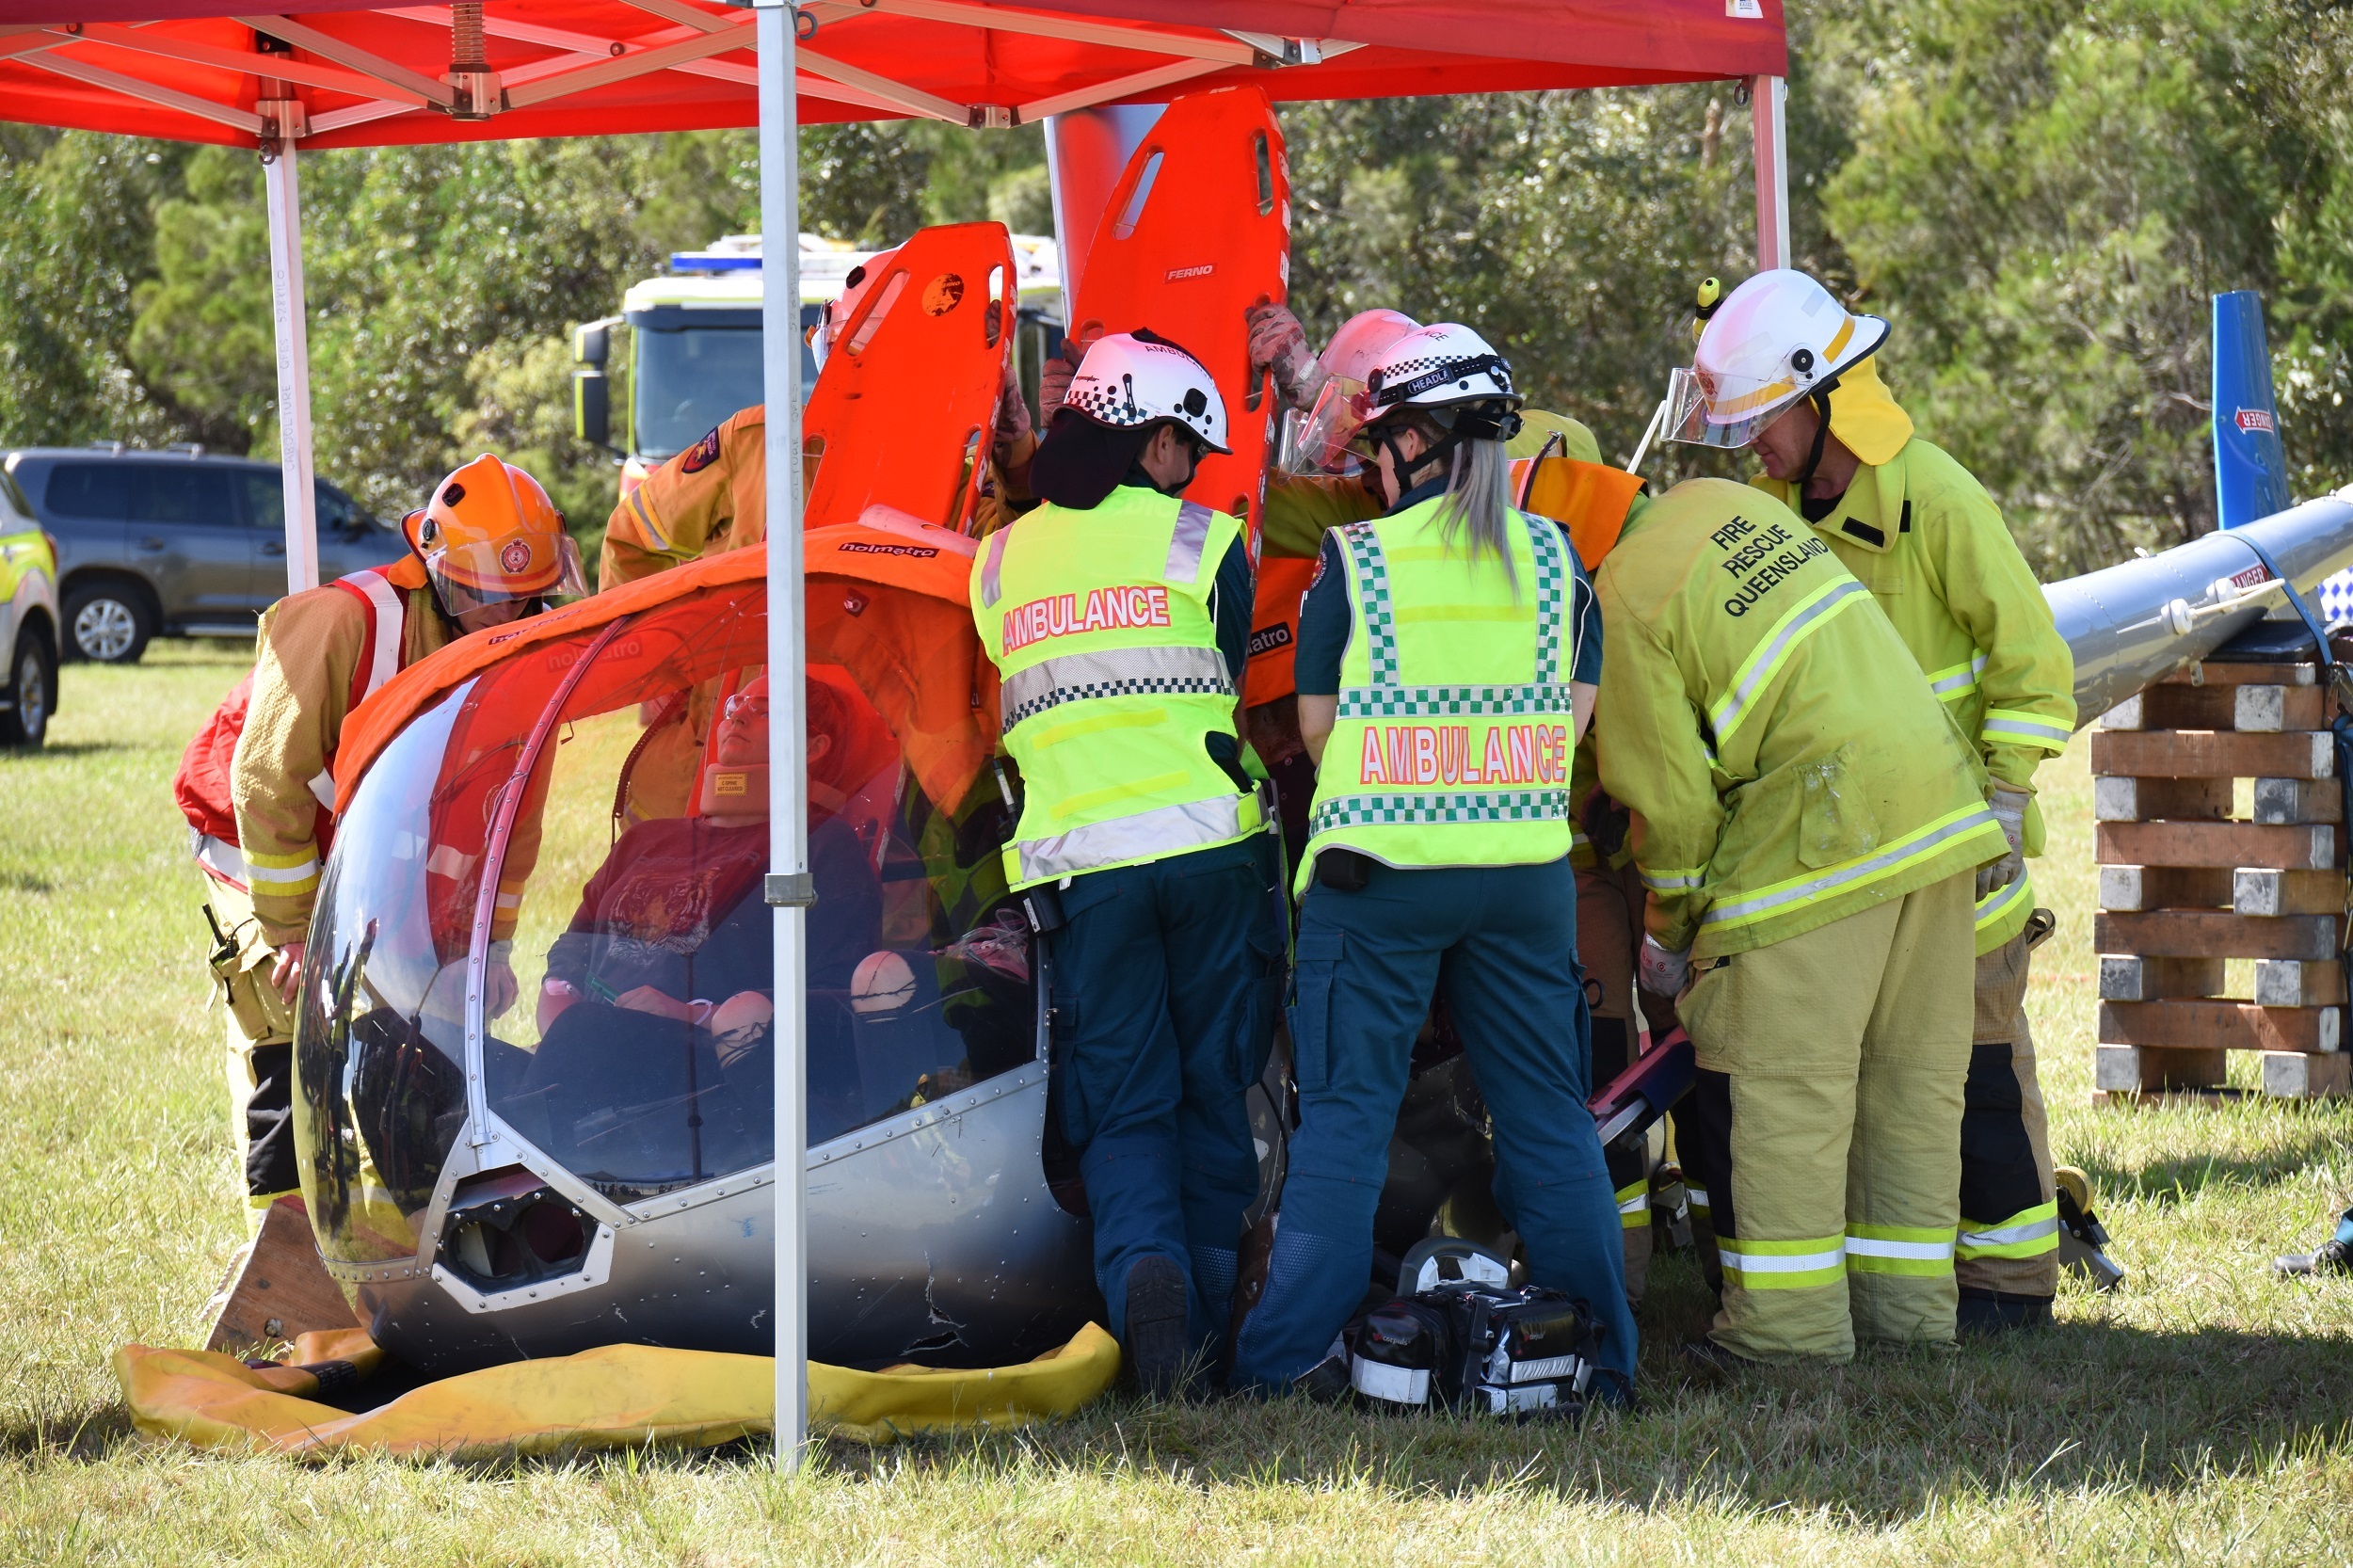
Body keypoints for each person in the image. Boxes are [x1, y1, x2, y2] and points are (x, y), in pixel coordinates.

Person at [1225, 323, 1639, 1402]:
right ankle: (1607, 1358)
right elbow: (1568, 723)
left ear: (1421, 441)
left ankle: (1280, 1365)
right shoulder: (1561, 563)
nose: (1370, 462)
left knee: (1347, 1123)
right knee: (1549, 1123)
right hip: (1522, 884)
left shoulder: (1354, 562)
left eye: (1382, 441)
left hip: (1381, 880)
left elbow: (1316, 732)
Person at [1672, 269, 2079, 1334]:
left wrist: (2002, 799)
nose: (1750, 445)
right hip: (1846, 857)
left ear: (1820, 399)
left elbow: (2032, 661)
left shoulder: (1933, 495)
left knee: (1980, 1067)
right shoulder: (1770, 517)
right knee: (1872, 1087)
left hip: (1962, 852)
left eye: (1762, 421)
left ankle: (2009, 1288)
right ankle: (1892, 1286)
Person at [1595, 451, 2006, 1367]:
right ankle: (1905, 1323)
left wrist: (1666, 935)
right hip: (1938, 818)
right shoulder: (1723, 504)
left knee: (1788, 1089)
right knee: (1908, 1089)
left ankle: (1786, 1339)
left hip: (1816, 842)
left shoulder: (1620, 593)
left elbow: (1670, 806)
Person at [969, 329, 1284, 1397]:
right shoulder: (1205, 542)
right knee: (1212, 1077)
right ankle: (1203, 1305)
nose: (1189, 471)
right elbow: (1231, 674)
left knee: (1120, 1094)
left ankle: (1144, 1274)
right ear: (1152, 441)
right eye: (1184, 449)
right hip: (1207, 854)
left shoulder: (1000, 559)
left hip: (1082, 875)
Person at [175, 455, 586, 1224]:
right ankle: (286, 1243)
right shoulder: (343, 622)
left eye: (524, 600)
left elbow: (513, 816)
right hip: (262, 837)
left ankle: (394, 1228)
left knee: (408, 1025)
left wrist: (490, 948)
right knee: (290, 1029)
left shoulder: (525, 648)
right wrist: (295, 934)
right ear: (439, 573)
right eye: (486, 599)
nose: (507, 620)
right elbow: (266, 781)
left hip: (372, 849)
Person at [600, 250, 1040, 591]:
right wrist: (666, 674)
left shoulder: (948, 476)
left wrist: (1015, 452)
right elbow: (633, 539)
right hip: (746, 704)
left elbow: (1024, 560)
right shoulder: (759, 443)